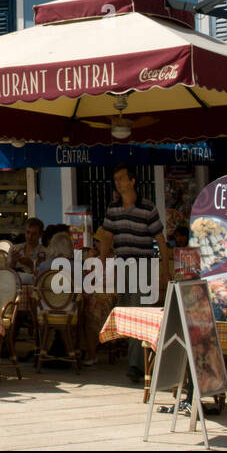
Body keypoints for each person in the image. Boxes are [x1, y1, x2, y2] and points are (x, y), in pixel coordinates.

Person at [97, 163, 167, 384]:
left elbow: (160, 240)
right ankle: (139, 360)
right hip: (123, 266)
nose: (118, 182)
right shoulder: (113, 209)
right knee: (127, 312)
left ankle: (136, 365)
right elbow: (108, 236)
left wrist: (165, 269)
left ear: (132, 181)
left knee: (138, 311)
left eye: (121, 178)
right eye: (116, 179)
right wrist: (102, 259)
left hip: (144, 266)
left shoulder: (148, 208)